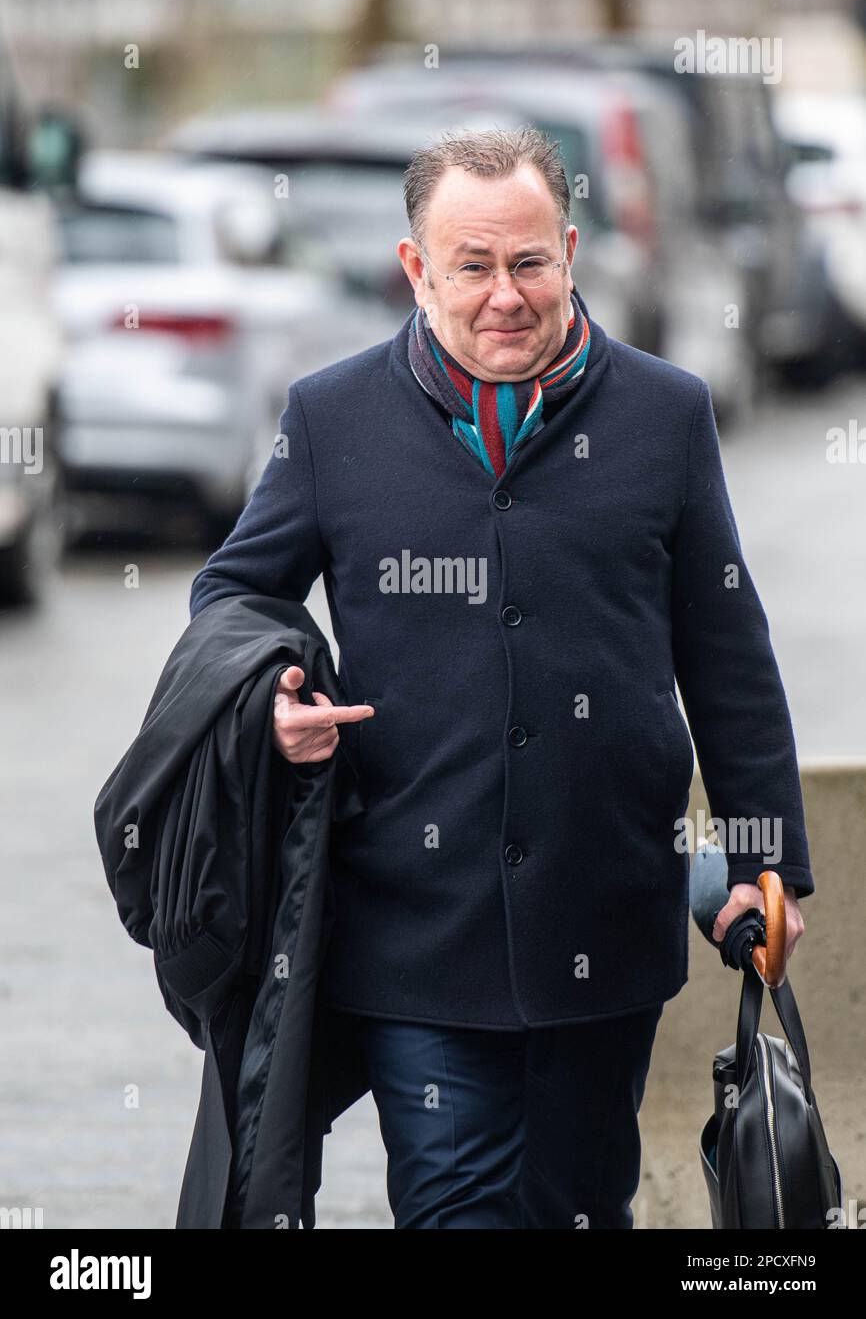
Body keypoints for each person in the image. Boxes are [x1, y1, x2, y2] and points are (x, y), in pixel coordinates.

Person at [188, 126, 812, 1229]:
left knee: (578, 1207)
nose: (503, 295)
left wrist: (763, 863)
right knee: (454, 1207)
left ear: (569, 250)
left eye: (527, 262)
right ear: (416, 270)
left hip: (607, 910)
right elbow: (234, 597)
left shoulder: (664, 415)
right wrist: (270, 699)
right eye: (470, 266)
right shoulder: (330, 420)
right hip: (416, 928)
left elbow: (725, 654)